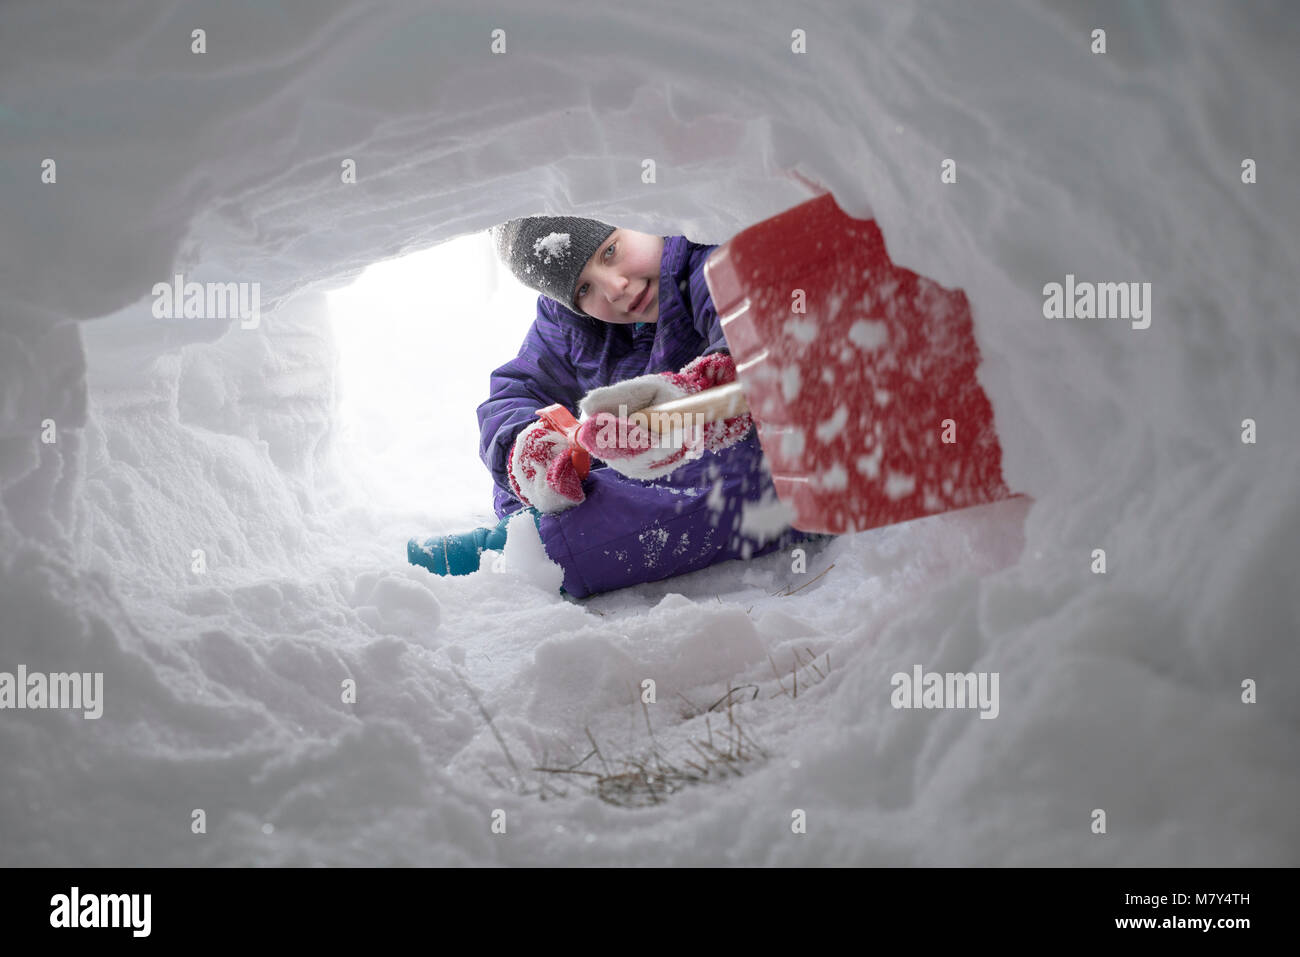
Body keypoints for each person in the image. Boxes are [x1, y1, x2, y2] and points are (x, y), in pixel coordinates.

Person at [407, 214, 814, 598]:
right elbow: (517, 388)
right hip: (652, 461)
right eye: (584, 289)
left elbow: (761, 318)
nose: (613, 287)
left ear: (640, 215)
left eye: (609, 251)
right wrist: (528, 447)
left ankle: (529, 547)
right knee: (536, 473)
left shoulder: (703, 250)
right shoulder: (572, 322)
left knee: (732, 471)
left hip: (776, 445)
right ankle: (536, 522)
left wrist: (696, 393)